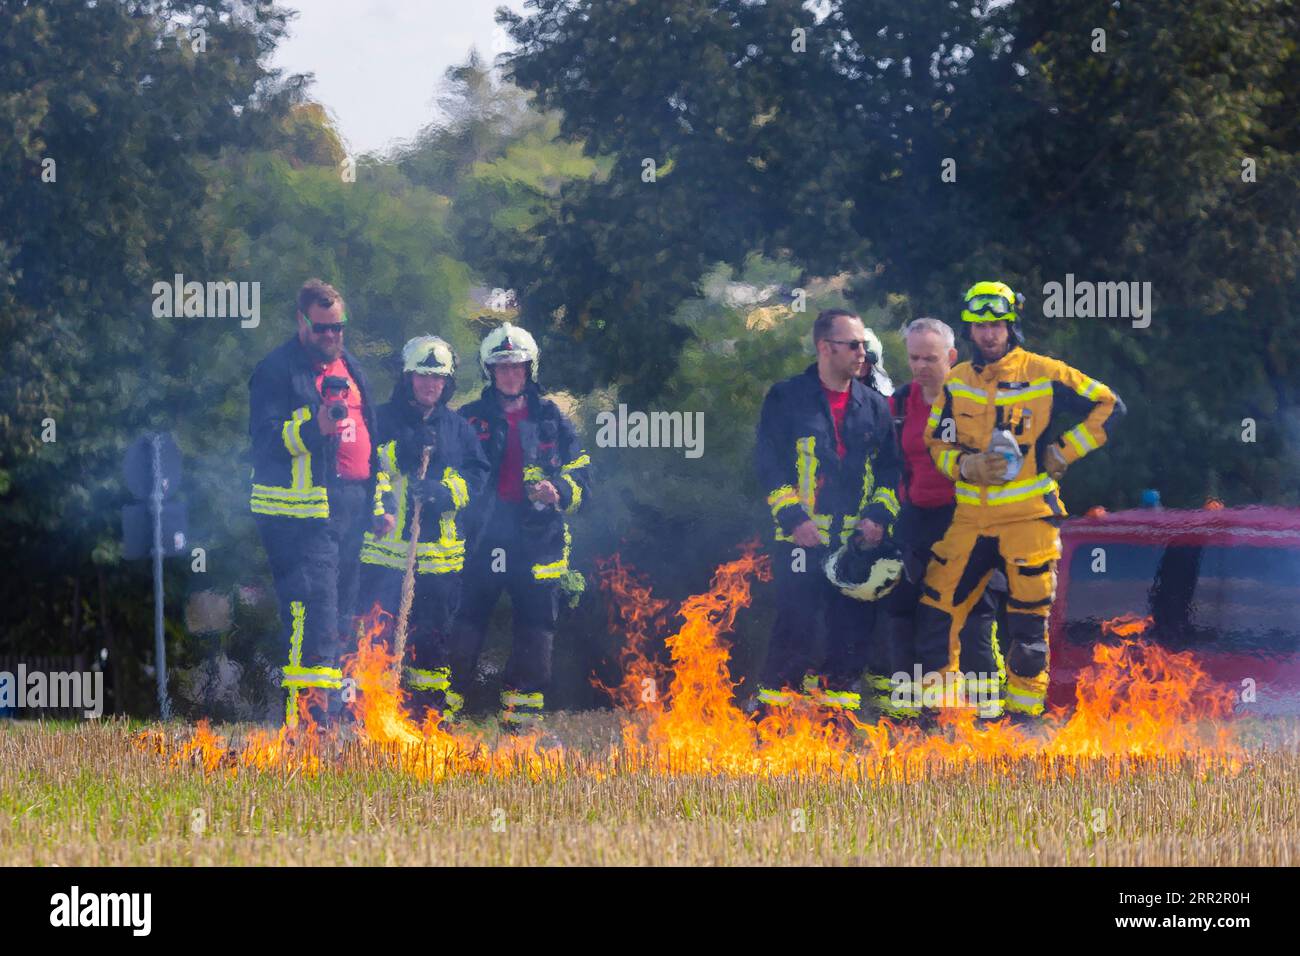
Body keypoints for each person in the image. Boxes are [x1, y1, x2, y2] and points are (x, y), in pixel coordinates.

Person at [914, 281, 1125, 718]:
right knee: (936, 612)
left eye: (996, 324)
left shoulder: (1044, 372)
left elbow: (1109, 405)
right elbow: (936, 441)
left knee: (1028, 631)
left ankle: (1024, 726)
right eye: (979, 325)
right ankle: (937, 723)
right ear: (968, 329)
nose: (988, 334)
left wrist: (1063, 451)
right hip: (971, 519)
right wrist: (963, 466)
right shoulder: (956, 383)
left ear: (1011, 324)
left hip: (1030, 517)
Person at [248, 279, 382, 726]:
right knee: (314, 619)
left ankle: (337, 720)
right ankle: (305, 729)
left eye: (338, 327)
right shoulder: (276, 370)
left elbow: (371, 441)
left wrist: (378, 504)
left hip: (351, 508)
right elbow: (264, 442)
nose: (331, 336)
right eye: (322, 328)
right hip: (300, 516)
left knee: (344, 616)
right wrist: (312, 428)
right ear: (301, 322)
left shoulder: (352, 368)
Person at [754, 308, 901, 713]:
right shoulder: (787, 398)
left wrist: (878, 518)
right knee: (795, 628)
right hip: (800, 540)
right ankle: (773, 719)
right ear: (825, 347)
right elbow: (768, 465)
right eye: (853, 345)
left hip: (854, 547)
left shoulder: (874, 405)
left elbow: (891, 472)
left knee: (851, 635)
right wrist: (793, 519)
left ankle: (838, 723)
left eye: (864, 345)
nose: (862, 352)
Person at [448, 323, 592, 730]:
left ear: (530, 370)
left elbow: (582, 470)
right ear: (489, 372)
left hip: (538, 539)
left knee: (535, 628)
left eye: (517, 367)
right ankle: (445, 709)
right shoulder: (469, 419)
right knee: (466, 621)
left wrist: (559, 489)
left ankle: (520, 723)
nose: (510, 375)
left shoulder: (551, 419)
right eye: (501, 368)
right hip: (485, 536)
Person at [865, 318, 1005, 718]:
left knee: (974, 613)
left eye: (930, 357)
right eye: (914, 357)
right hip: (914, 519)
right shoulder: (898, 404)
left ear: (952, 357)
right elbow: (884, 464)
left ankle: (985, 713)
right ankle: (914, 713)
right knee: (902, 611)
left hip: (967, 517)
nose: (921, 365)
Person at [359, 336, 489, 721]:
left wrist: (444, 492)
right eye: (423, 376)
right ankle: (375, 721)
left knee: (431, 647)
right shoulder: (382, 419)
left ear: (447, 383)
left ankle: (426, 722)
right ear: (407, 378)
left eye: (438, 378)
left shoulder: (458, 429)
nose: (430, 384)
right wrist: (402, 452)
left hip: (438, 564)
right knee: (378, 641)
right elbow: (364, 465)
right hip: (386, 558)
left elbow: (477, 475)